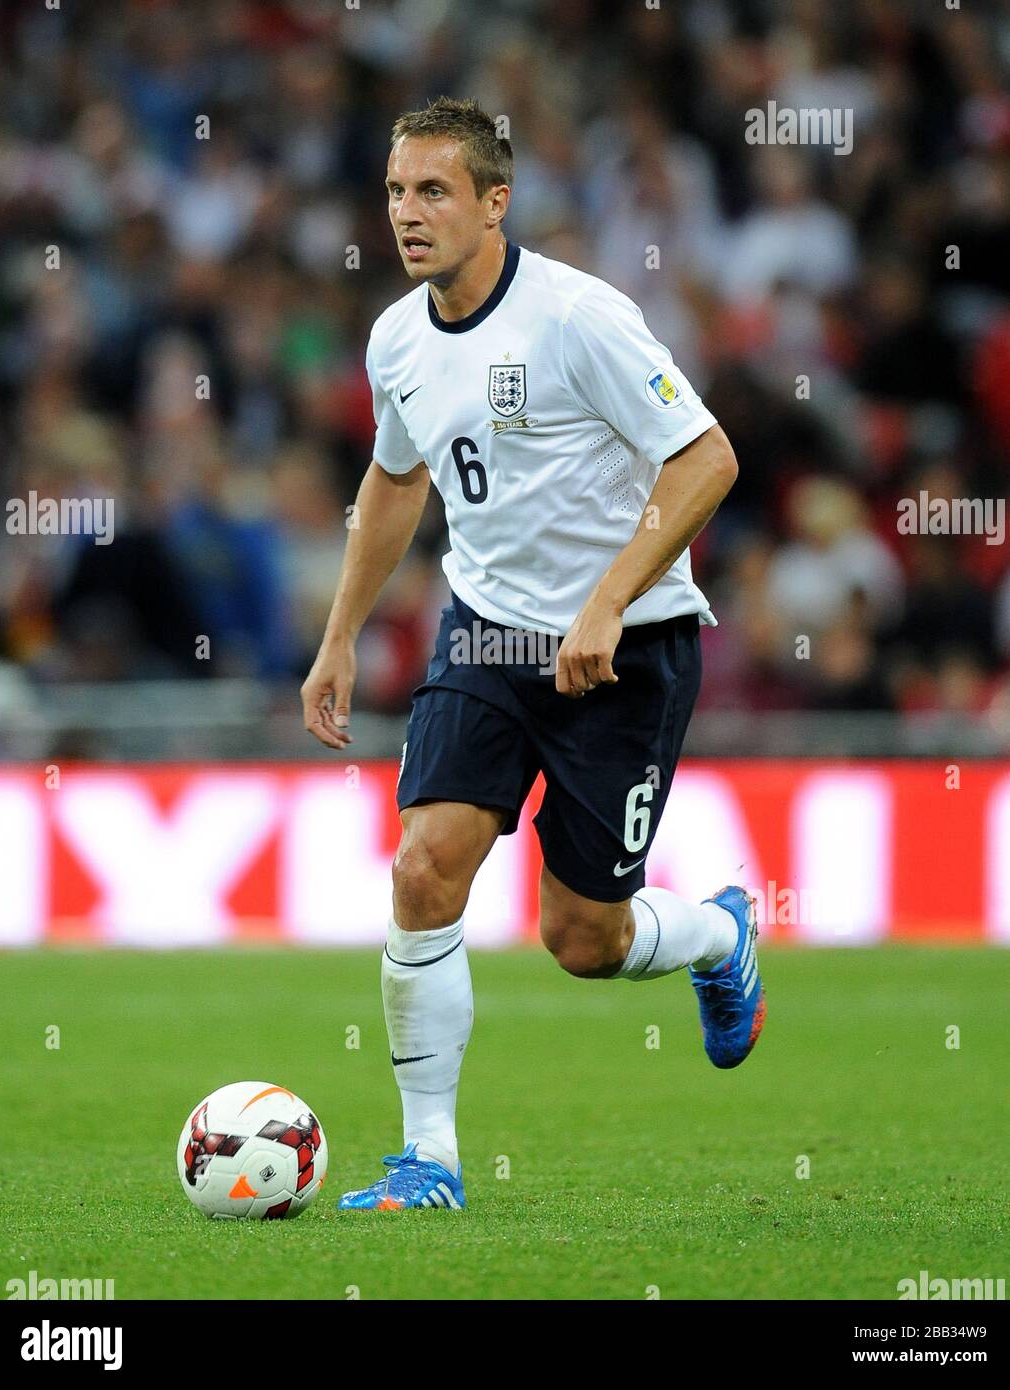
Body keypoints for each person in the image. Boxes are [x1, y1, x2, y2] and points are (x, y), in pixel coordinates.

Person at [301, 98, 765, 1212]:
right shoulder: (397, 338)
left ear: (493, 202)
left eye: (433, 192)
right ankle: (429, 1160)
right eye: (395, 191)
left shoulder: (576, 318)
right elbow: (395, 481)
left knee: (582, 939)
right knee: (422, 868)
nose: (406, 215)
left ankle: (715, 935)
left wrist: (608, 601)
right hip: (485, 631)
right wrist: (339, 634)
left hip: (626, 647)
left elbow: (707, 460)